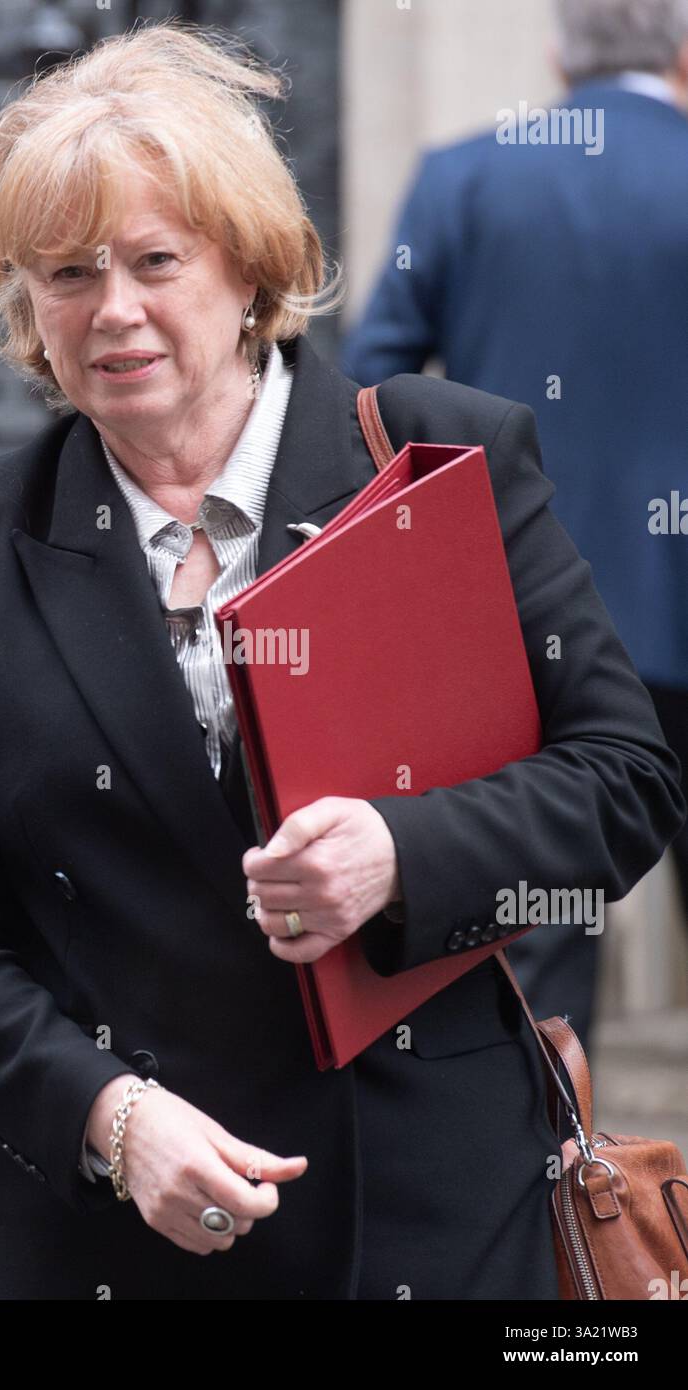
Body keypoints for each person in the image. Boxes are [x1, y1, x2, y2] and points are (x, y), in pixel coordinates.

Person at [0, 20, 684, 1301]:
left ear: (248, 269)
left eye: (153, 260)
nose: (113, 309)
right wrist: (111, 1120)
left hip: (426, 1214)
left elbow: (623, 779)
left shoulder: (437, 464)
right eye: (66, 273)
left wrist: (404, 852)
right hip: (110, 1235)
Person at [340, 0, 688, 1048]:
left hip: (517, 613)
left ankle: (550, 1193)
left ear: (554, 54)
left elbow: (368, 384)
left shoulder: (463, 178)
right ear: (678, 55)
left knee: (536, 943)